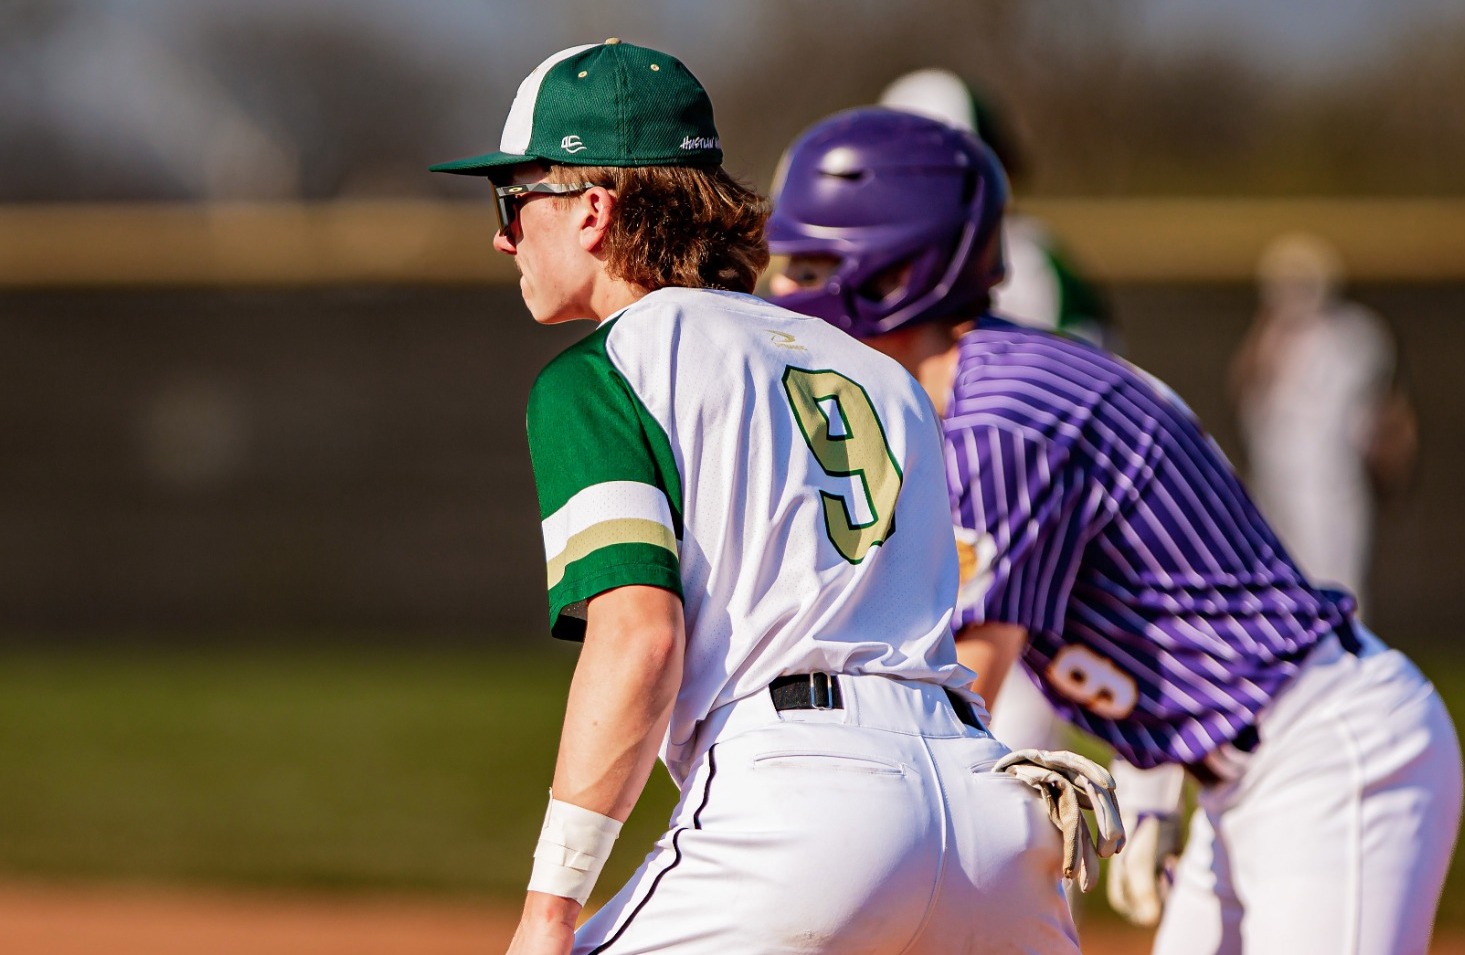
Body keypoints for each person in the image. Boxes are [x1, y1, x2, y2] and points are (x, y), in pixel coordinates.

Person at [430, 40, 1116, 955]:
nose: (503, 232)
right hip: (990, 814)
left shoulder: (603, 373)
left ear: (592, 209)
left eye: (515, 199)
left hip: (805, 805)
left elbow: (641, 637)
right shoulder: (879, 372)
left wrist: (547, 911)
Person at [766, 105, 1462, 955]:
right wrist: (1155, 767)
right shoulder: (987, 380)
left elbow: (965, 679)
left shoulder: (999, 418)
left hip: (1325, 753)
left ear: (896, 269)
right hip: (1240, 759)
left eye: (810, 263)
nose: (783, 290)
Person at [878, 67, 1113, 755]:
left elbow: (1058, 419)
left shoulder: (1029, 263)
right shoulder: (893, 264)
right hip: (936, 516)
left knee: (1001, 748)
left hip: (1022, 528)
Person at [1230, 232, 1415, 609]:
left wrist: (1392, 457)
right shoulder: (1269, 338)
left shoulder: (1355, 335)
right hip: (1275, 477)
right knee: (1275, 575)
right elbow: (1243, 388)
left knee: (1336, 577)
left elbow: (1387, 409)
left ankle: (1349, 659)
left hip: (1332, 481)